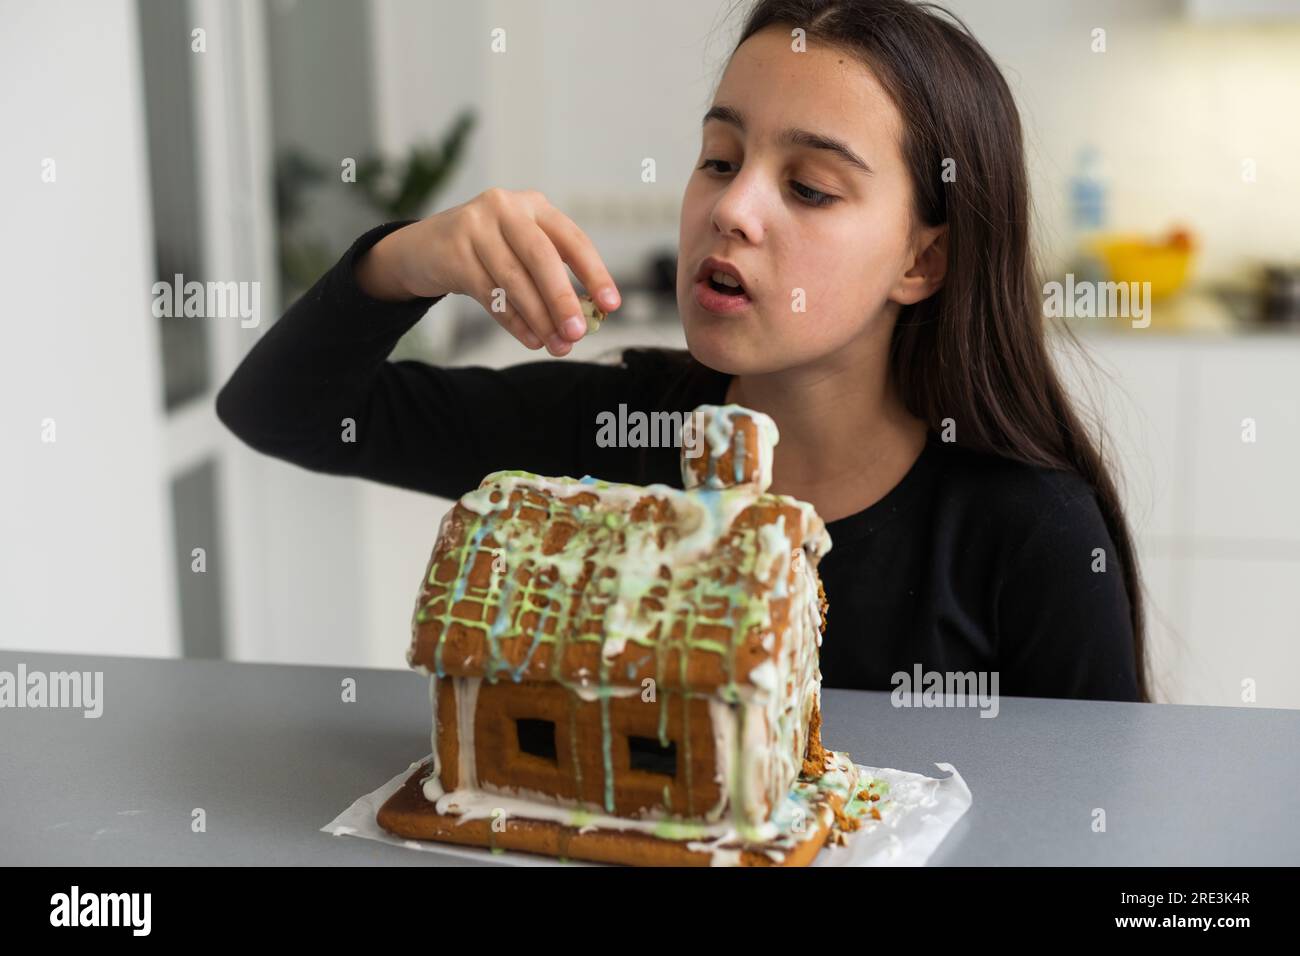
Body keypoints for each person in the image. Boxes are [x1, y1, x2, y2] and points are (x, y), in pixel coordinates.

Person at [218, 0, 1147, 702]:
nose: (731, 210)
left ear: (923, 258)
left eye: (811, 187)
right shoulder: (609, 439)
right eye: (719, 158)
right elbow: (278, 414)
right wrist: (401, 262)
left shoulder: (1031, 533)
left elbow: (1099, 827)